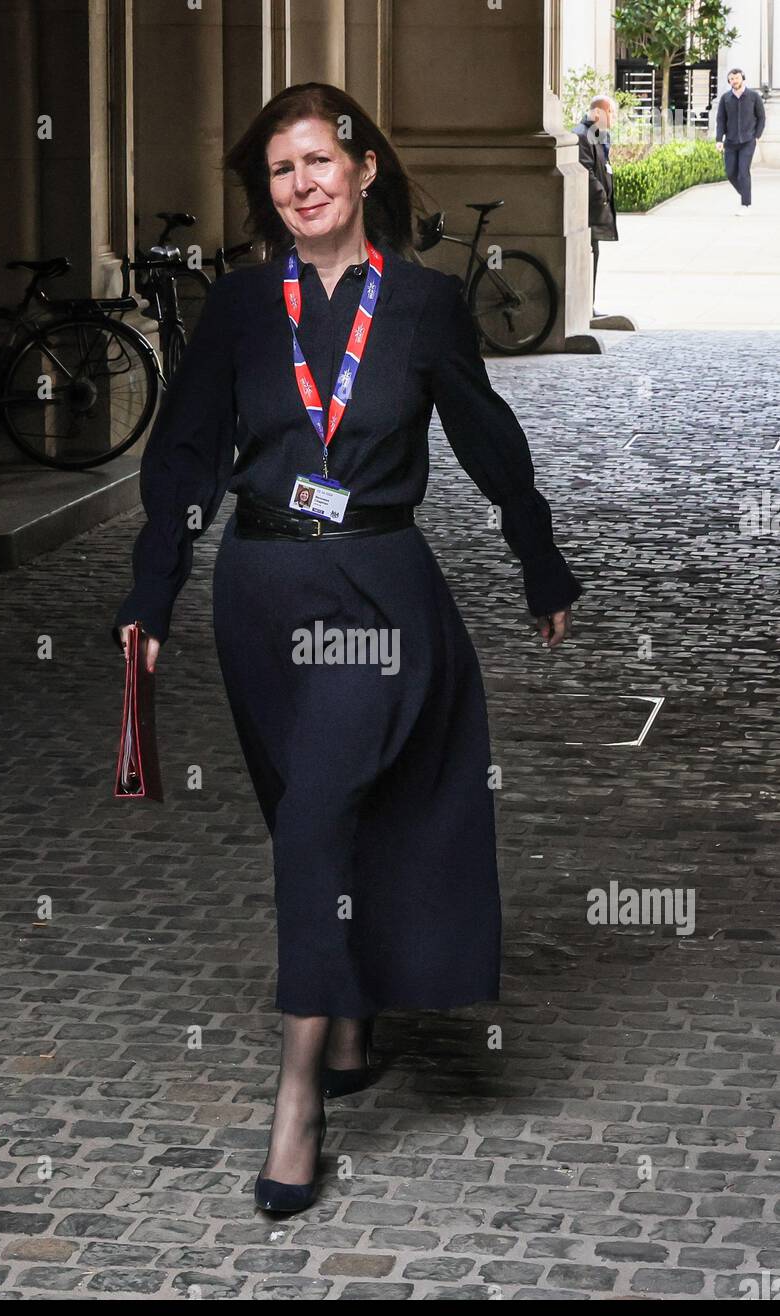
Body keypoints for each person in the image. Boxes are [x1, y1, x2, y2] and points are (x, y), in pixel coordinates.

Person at [112, 82, 583, 1215]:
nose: (303, 184)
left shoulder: (418, 305)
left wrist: (538, 556)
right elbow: (181, 458)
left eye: (320, 160)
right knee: (307, 818)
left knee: (318, 815)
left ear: (365, 167)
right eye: (280, 171)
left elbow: (484, 433)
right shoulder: (238, 307)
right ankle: (353, 1011)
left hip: (374, 596)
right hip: (261, 593)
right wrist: (153, 592)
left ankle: (296, 1099)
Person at [573, 96, 618, 315]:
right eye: (611, 113)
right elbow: (585, 172)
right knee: (590, 255)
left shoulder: (596, 135)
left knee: (594, 255)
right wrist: (601, 194)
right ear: (598, 113)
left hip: (595, 208)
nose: (613, 118)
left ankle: (588, 305)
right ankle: (585, 307)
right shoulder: (582, 135)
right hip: (589, 210)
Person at [716, 68, 766, 215]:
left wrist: (757, 135)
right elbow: (721, 120)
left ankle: (745, 204)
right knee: (730, 173)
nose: (734, 81)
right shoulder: (725, 98)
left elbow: (761, 117)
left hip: (748, 141)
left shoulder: (753, 96)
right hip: (730, 141)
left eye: (737, 78)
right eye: (731, 79)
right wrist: (719, 139)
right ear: (729, 81)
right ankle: (745, 194)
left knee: (743, 171)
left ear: (742, 78)